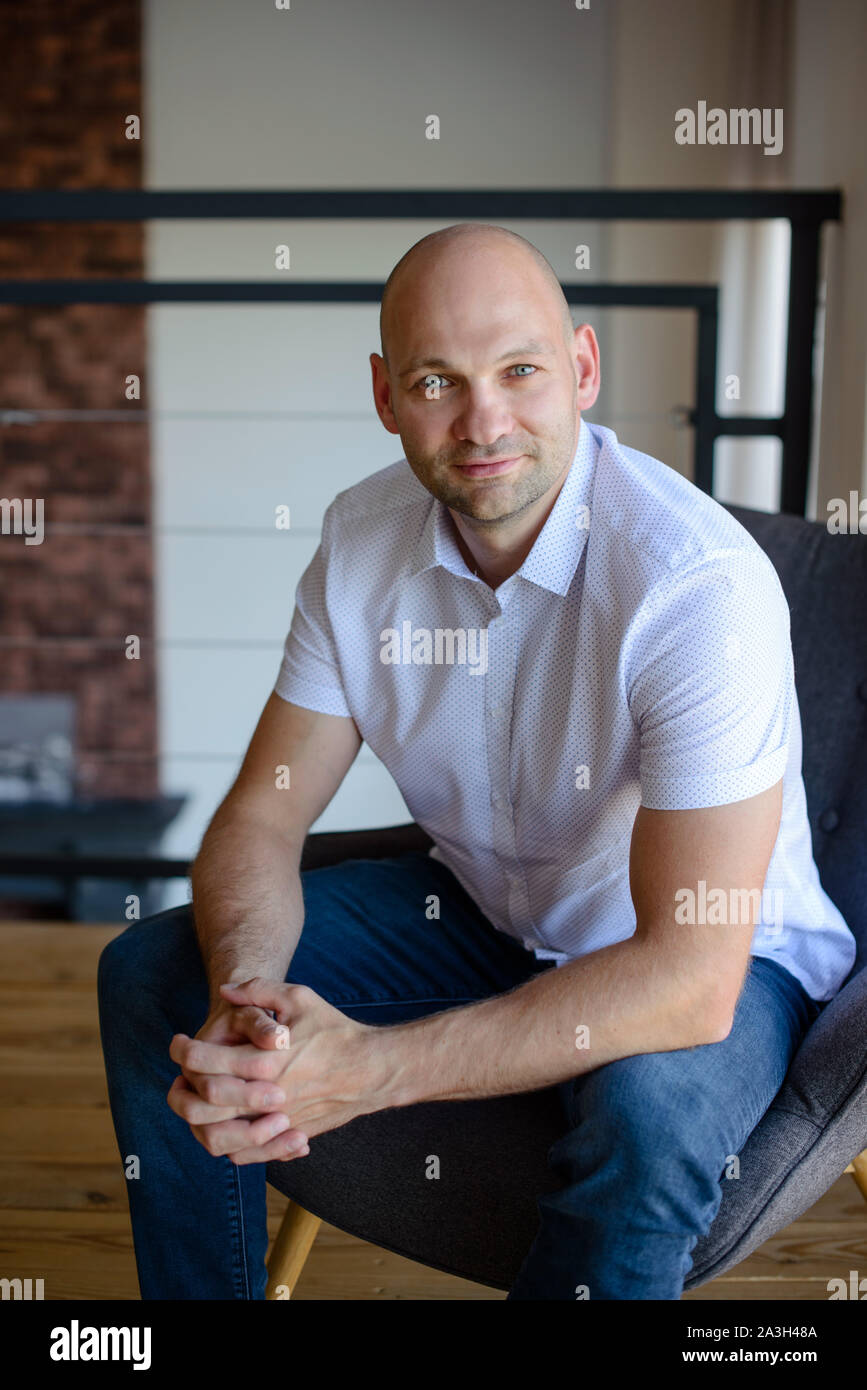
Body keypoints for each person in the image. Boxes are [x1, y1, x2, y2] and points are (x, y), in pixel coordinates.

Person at [98, 223, 855, 1300]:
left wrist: (364, 1070)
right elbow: (261, 820)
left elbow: (689, 982)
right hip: (493, 919)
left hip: (717, 961)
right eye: (437, 380)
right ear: (385, 396)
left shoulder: (695, 590)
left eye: (520, 370)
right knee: (151, 975)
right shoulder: (359, 546)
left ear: (583, 369)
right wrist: (252, 1001)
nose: (482, 419)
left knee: (648, 1122)